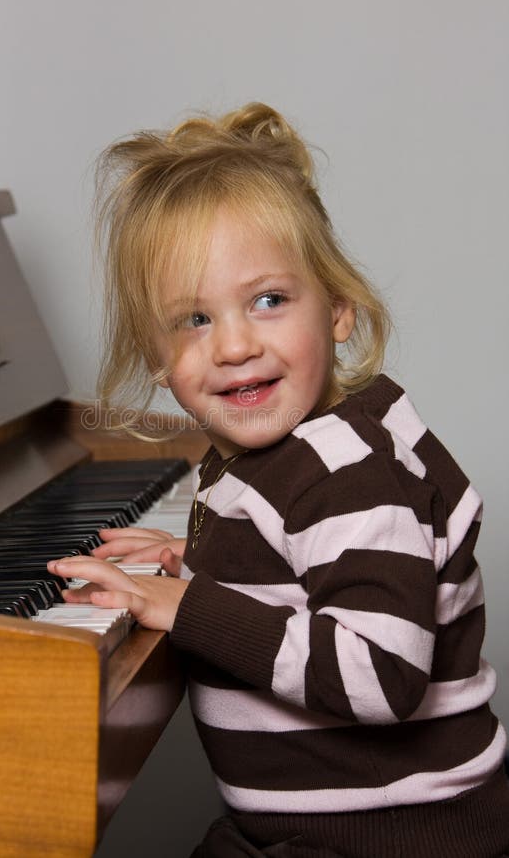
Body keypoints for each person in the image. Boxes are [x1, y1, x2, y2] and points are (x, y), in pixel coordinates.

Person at [48, 103, 509, 857]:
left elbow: (381, 674)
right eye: (195, 319)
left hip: (396, 839)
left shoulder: (350, 477)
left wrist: (192, 605)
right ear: (157, 356)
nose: (233, 345)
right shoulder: (277, 452)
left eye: (268, 301)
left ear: (336, 308)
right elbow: (300, 571)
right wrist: (193, 564)